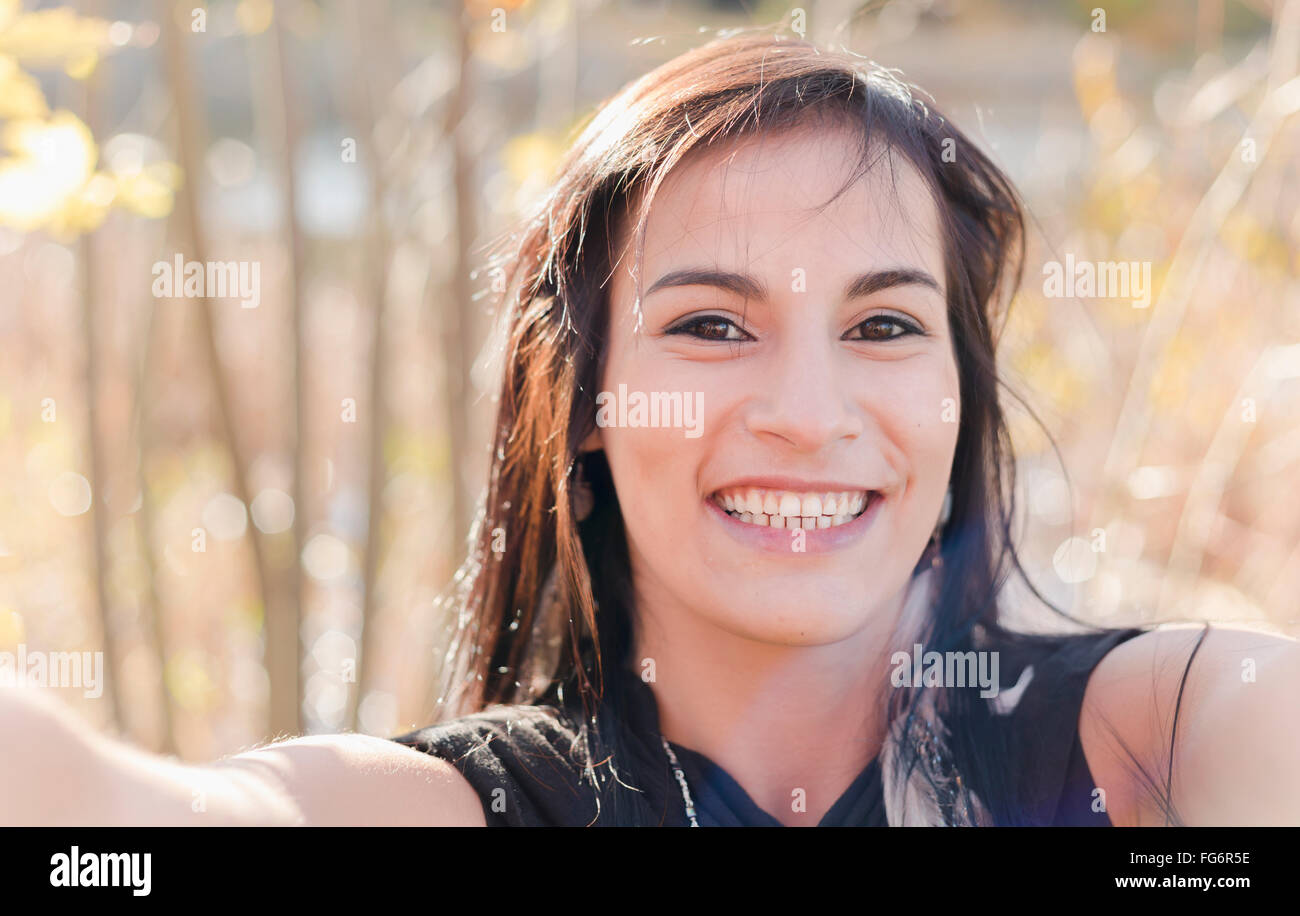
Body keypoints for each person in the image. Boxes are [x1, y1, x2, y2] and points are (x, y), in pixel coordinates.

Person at [3, 30, 1297, 828]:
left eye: (886, 327)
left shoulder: (1147, 742)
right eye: (712, 328)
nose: (807, 414)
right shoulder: (464, 810)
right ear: (584, 408)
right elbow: (118, 824)